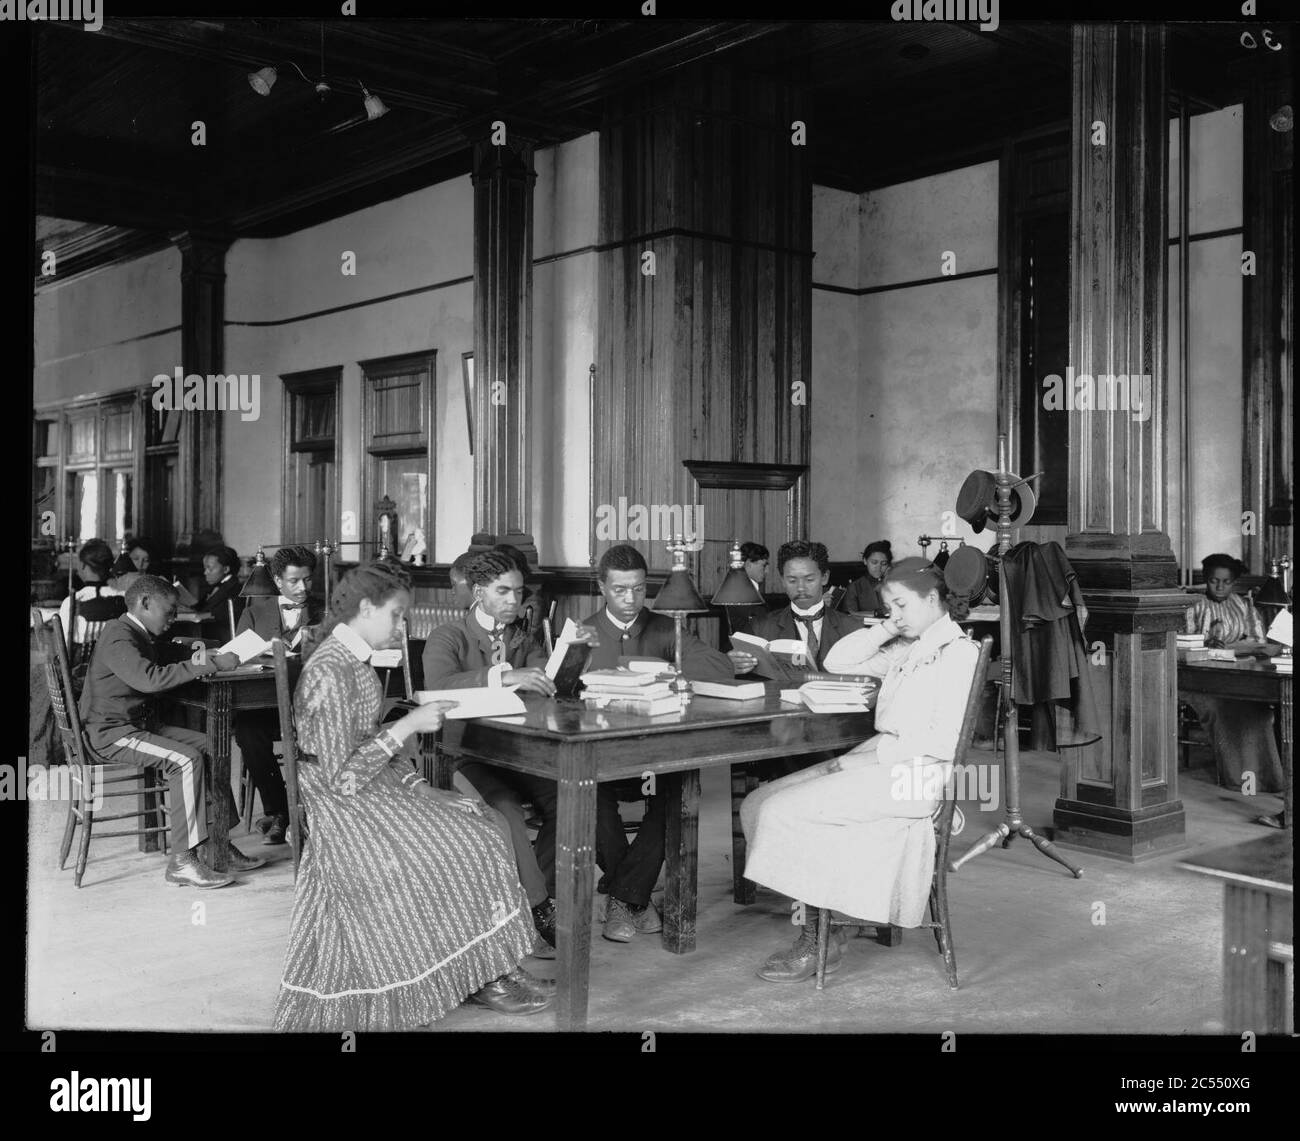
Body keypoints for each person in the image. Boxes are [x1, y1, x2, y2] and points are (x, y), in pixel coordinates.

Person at [273, 562, 553, 1029]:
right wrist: (407, 725)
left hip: (374, 790)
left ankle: (490, 971)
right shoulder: (330, 670)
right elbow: (341, 778)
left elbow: (365, 748)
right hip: (345, 808)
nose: (403, 628)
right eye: (397, 616)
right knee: (471, 842)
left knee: (482, 824)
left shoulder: (351, 658)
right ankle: (487, 976)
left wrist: (424, 789)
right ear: (366, 609)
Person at [740, 558, 980, 982]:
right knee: (758, 803)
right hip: (887, 762)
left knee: (785, 811)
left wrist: (861, 761)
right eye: (890, 608)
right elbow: (838, 661)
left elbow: (943, 743)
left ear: (932, 599)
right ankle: (826, 917)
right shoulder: (911, 647)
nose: (896, 616)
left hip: (917, 779)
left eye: (902, 606)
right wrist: (889, 628)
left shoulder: (957, 654)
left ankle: (822, 939)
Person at [580, 544, 740, 942]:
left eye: (637, 589)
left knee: (679, 791)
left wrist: (671, 665)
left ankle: (623, 898)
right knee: (589, 798)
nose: (631, 599)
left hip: (655, 759)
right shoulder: (582, 634)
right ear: (601, 587)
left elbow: (719, 667)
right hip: (602, 758)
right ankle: (634, 898)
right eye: (620, 590)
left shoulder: (665, 628)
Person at [77, 575, 267, 888]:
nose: (173, 618)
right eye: (169, 611)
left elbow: (166, 654)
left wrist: (206, 655)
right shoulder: (119, 636)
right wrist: (212, 665)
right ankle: (182, 861)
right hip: (110, 733)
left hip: (133, 726)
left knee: (211, 745)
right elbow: (150, 679)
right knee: (185, 760)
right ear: (145, 603)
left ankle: (215, 842)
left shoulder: (135, 634)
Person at [421, 550, 567, 952]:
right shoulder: (449, 636)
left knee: (565, 799)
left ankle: (541, 892)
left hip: (521, 752)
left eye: (518, 593)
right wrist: (505, 675)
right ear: (478, 591)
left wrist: (562, 668)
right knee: (505, 808)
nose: (512, 601)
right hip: (466, 755)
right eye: (502, 592)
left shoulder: (523, 636)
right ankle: (539, 909)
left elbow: (543, 683)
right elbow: (440, 685)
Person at [233, 546, 324, 846]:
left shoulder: (329, 611)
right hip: (268, 706)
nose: (303, 588)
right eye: (295, 581)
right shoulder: (253, 613)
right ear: (277, 580)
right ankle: (279, 811)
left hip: (314, 708)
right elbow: (237, 659)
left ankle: (319, 812)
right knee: (247, 731)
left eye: (308, 580)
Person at [1182, 553, 1285, 813]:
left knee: (1258, 711)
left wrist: (1243, 647)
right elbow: (1184, 644)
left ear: (1234, 583)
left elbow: (1259, 639)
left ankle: (1268, 779)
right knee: (1225, 708)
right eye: (1214, 581)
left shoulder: (1243, 605)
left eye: (1226, 582)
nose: (1219, 587)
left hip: (1239, 674)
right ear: (1206, 580)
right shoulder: (1193, 605)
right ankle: (1238, 779)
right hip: (1200, 679)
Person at [740, 540, 861, 674]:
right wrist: (737, 665)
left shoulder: (853, 629)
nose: (800, 588)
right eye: (792, 580)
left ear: (824, 577)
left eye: (809, 580)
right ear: (782, 581)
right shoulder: (760, 629)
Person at [58, 539, 127, 659]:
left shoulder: (72, 602)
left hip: (79, 673)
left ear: (83, 565)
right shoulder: (125, 598)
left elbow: (63, 648)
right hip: (116, 671)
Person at [196, 545, 244, 642]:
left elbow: (227, 616)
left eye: (210, 568)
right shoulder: (214, 587)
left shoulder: (236, 589)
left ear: (226, 569)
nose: (205, 572)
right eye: (205, 568)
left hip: (223, 639)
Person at [838, 540, 893, 615]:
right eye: (874, 562)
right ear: (865, 561)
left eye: (884, 563)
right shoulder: (855, 587)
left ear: (888, 565)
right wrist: (877, 613)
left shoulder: (894, 585)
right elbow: (850, 614)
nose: (878, 567)